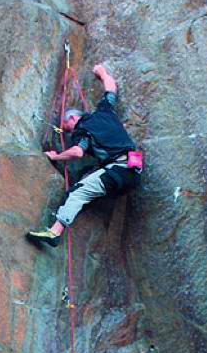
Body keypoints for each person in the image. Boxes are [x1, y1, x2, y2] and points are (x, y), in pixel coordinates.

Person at [27, 64, 141, 248]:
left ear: (72, 119)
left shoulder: (82, 131)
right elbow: (111, 89)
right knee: (88, 181)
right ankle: (72, 211)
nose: (67, 133)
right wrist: (102, 73)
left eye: (65, 127)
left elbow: (77, 151)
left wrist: (55, 157)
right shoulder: (104, 111)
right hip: (132, 171)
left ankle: (54, 232)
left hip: (118, 170)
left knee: (77, 192)